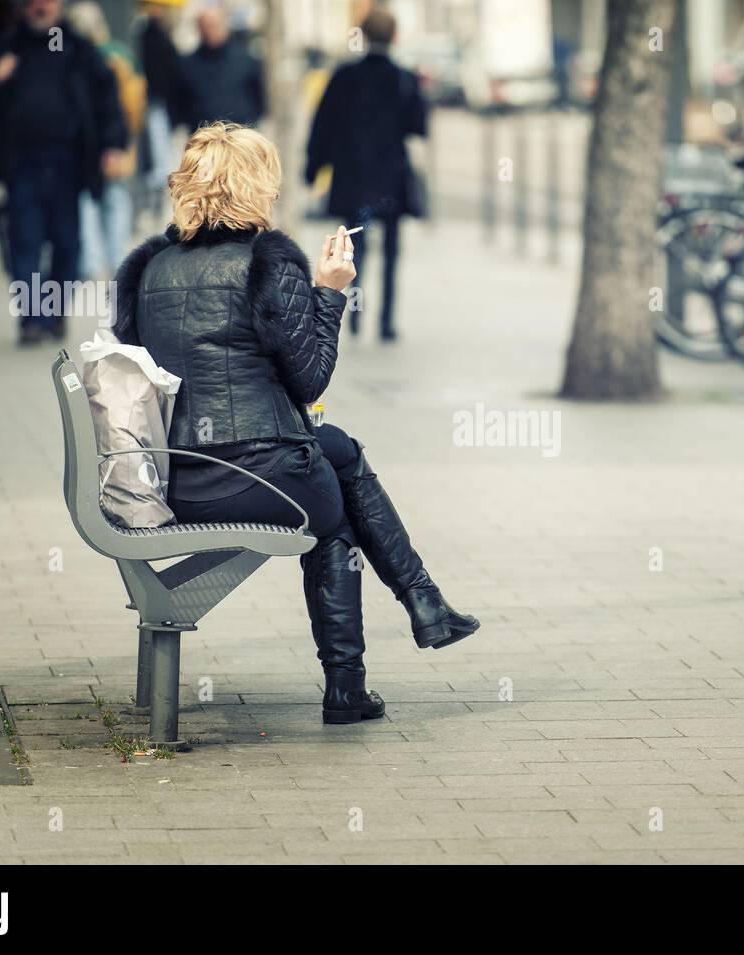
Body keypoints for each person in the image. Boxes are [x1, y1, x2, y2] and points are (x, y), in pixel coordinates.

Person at [110, 123, 479, 724]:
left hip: (177, 479)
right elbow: (310, 383)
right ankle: (357, 674)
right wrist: (330, 293)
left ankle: (425, 606)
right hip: (253, 476)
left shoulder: (148, 269)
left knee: (339, 451)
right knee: (334, 510)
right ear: (256, 188)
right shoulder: (267, 261)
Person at [0, 0, 127, 345]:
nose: (40, 7)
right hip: (20, 161)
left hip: (67, 162)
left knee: (67, 243)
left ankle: (55, 313)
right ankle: (31, 318)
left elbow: (107, 99)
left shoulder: (78, 48)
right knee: (24, 241)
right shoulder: (6, 47)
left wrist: (113, 145)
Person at [306, 8, 427, 342]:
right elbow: (418, 125)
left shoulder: (345, 76)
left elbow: (323, 126)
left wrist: (312, 168)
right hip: (390, 181)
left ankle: (356, 316)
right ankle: (387, 322)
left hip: (354, 179)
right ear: (394, 37)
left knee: (353, 250)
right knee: (391, 251)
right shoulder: (403, 78)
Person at [68, 1, 145, 278]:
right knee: (114, 199)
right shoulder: (119, 54)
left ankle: (91, 261)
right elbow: (135, 104)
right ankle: (116, 259)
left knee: (90, 201)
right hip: (114, 138)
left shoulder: (87, 57)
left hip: (97, 140)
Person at [175, 5, 263, 132]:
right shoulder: (186, 64)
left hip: (241, 138)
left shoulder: (246, 59)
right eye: (207, 26)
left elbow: (258, 98)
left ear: (225, 25)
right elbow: (179, 102)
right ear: (199, 28)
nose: (211, 31)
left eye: (215, 25)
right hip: (203, 140)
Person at [136, 0, 183, 206]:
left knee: (162, 156)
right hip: (155, 103)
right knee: (159, 159)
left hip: (161, 104)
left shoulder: (159, 34)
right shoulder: (150, 36)